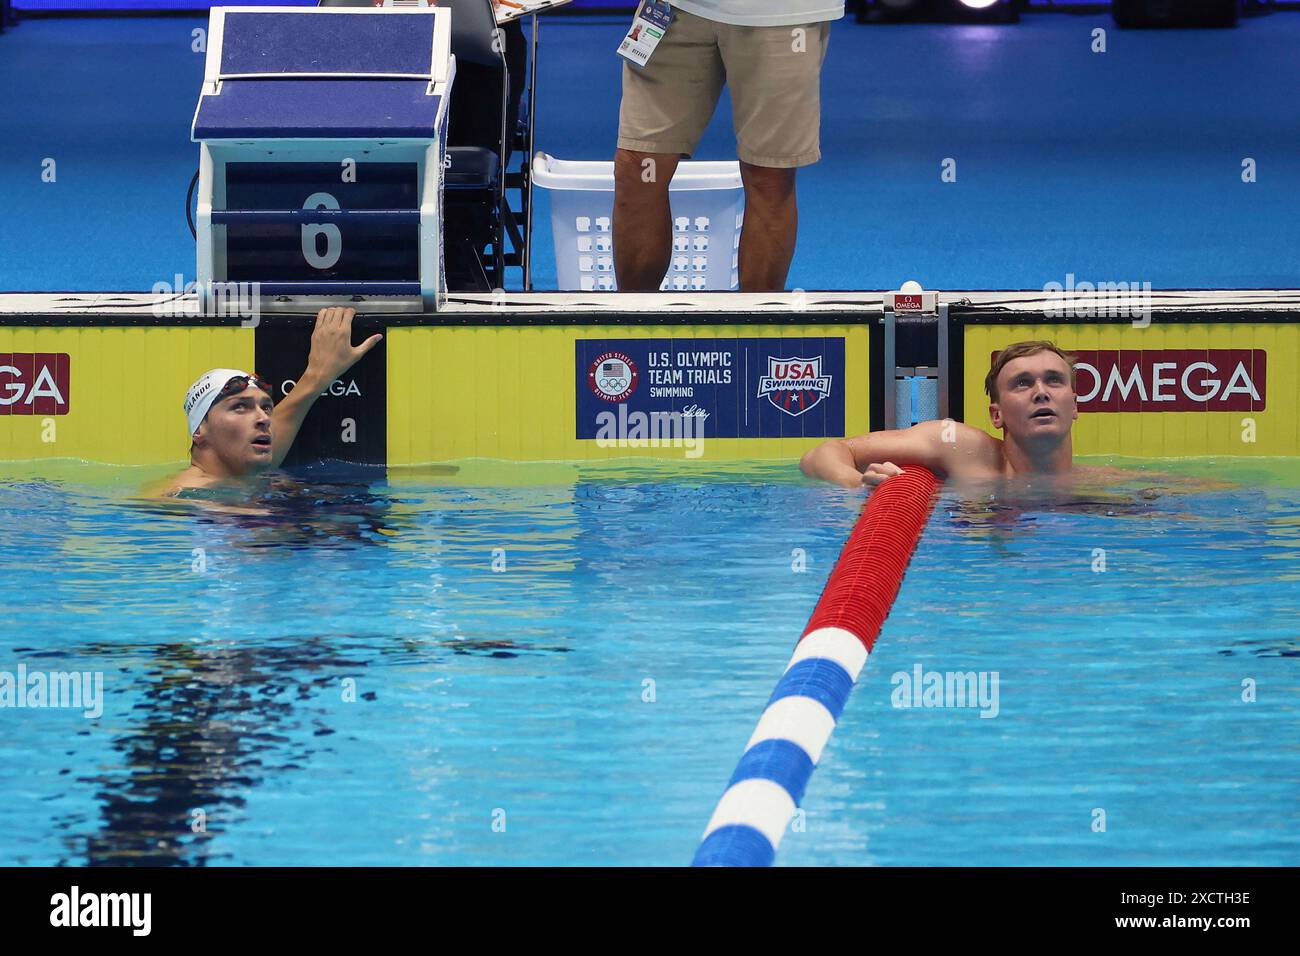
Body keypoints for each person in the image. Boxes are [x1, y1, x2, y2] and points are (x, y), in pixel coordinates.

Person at [613, 0, 843, 292]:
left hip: (782, 15)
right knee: (639, 168)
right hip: (675, 10)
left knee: (769, 177)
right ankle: (632, 326)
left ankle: (756, 329)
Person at [151, 307, 381, 498]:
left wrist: (319, 374)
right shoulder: (181, 497)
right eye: (239, 407)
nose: (263, 419)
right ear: (200, 430)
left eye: (266, 407)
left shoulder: (241, 471)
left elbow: (285, 416)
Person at [801, 341, 1083, 490]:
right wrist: (854, 483)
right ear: (996, 416)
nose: (1041, 392)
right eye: (1022, 383)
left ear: (1074, 406)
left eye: (1054, 380)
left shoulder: (1108, 486)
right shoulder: (961, 448)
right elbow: (821, 454)